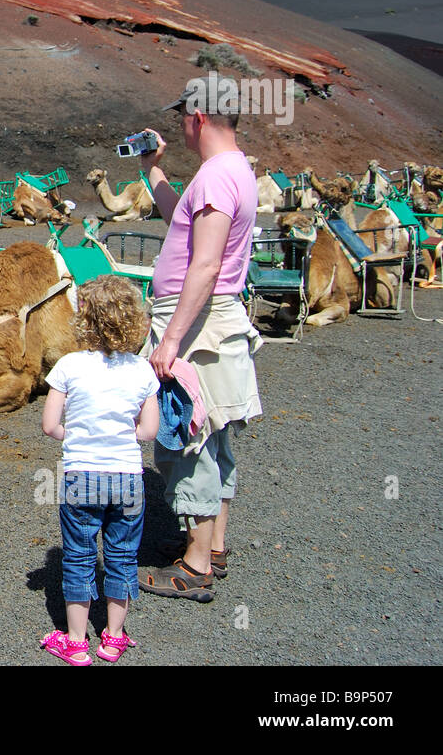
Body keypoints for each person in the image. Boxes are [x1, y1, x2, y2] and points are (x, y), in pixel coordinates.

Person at [137, 74, 262, 603]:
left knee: (186, 436)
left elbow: (205, 264)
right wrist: (152, 171)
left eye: (182, 117)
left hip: (194, 323)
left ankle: (193, 566)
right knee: (216, 433)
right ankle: (214, 546)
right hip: (217, 318)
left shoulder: (214, 177)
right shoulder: (234, 171)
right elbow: (181, 226)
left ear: (199, 117)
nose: (181, 126)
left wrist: (170, 341)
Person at [40, 275, 160, 665]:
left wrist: (71, 436)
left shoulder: (69, 366)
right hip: (126, 476)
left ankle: (75, 642)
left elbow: (50, 425)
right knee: (123, 555)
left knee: (78, 555)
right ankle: (113, 638)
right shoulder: (143, 371)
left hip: (81, 475)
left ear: (84, 319)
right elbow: (148, 431)